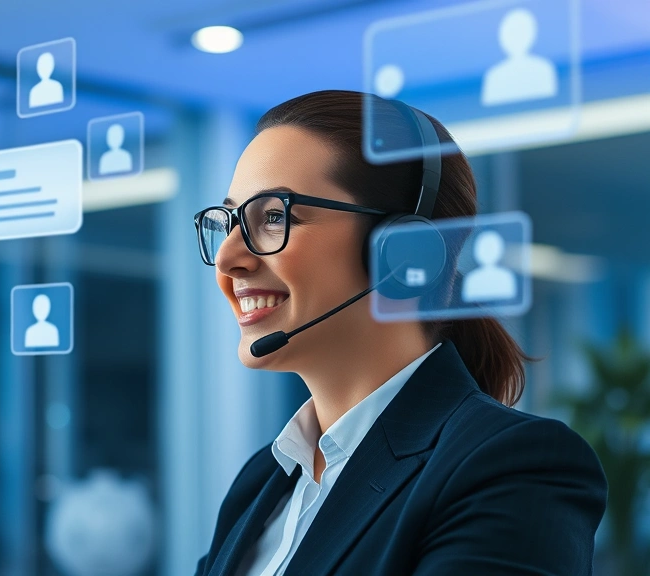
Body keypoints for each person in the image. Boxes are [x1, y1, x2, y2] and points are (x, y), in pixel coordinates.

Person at [192, 90, 606, 575]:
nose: (226, 258)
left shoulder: (514, 467)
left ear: (405, 256)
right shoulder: (263, 479)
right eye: (230, 221)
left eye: (275, 217)